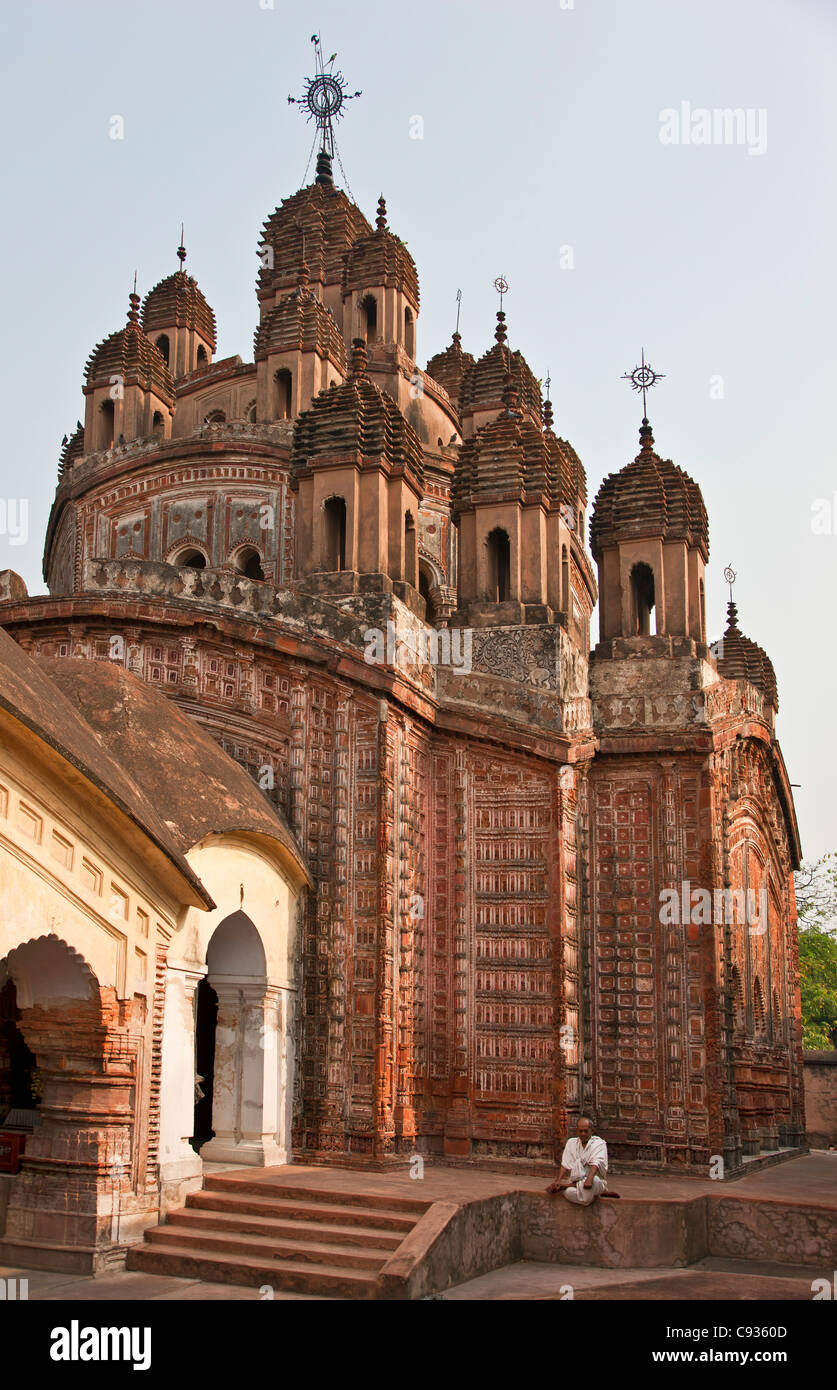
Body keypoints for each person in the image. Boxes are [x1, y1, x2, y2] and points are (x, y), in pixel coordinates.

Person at [546, 1116, 611, 1204]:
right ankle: (587, 1195)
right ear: (577, 1131)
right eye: (580, 1131)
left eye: (585, 1131)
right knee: (569, 1193)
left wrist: (589, 1179)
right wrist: (557, 1181)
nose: (583, 1134)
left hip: (593, 1181)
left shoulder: (599, 1143)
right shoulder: (571, 1143)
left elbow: (597, 1162)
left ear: (592, 1131)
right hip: (577, 1181)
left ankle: (566, 1187)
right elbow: (565, 1164)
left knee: (594, 1181)